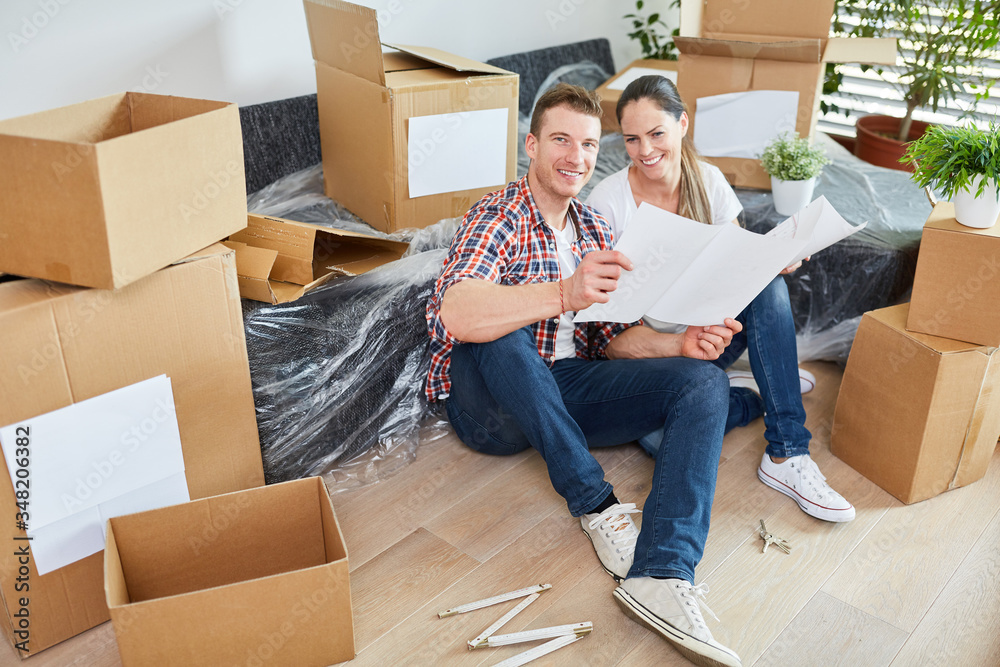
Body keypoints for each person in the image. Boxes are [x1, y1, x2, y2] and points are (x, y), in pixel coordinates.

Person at [426, 82, 743, 667]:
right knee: (503, 331)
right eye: (561, 141)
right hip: (491, 409)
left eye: (590, 145)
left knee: (706, 382)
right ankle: (596, 504)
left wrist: (679, 344)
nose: (576, 157)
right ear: (532, 145)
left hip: (566, 387)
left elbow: (611, 344)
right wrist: (564, 292)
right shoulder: (497, 215)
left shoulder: (596, 230)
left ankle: (663, 572)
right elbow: (458, 312)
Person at [585, 75, 854, 523]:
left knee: (768, 286)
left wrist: (775, 258)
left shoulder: (706, 181)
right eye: (632, 139)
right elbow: (604, 331)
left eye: (656, 134)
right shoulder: (608, 203)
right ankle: (758, 391)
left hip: (710, 336)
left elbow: (739, 261)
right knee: (656, 442)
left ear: (683, 124)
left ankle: (787, 453)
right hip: (655, 354)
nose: (645, 150)